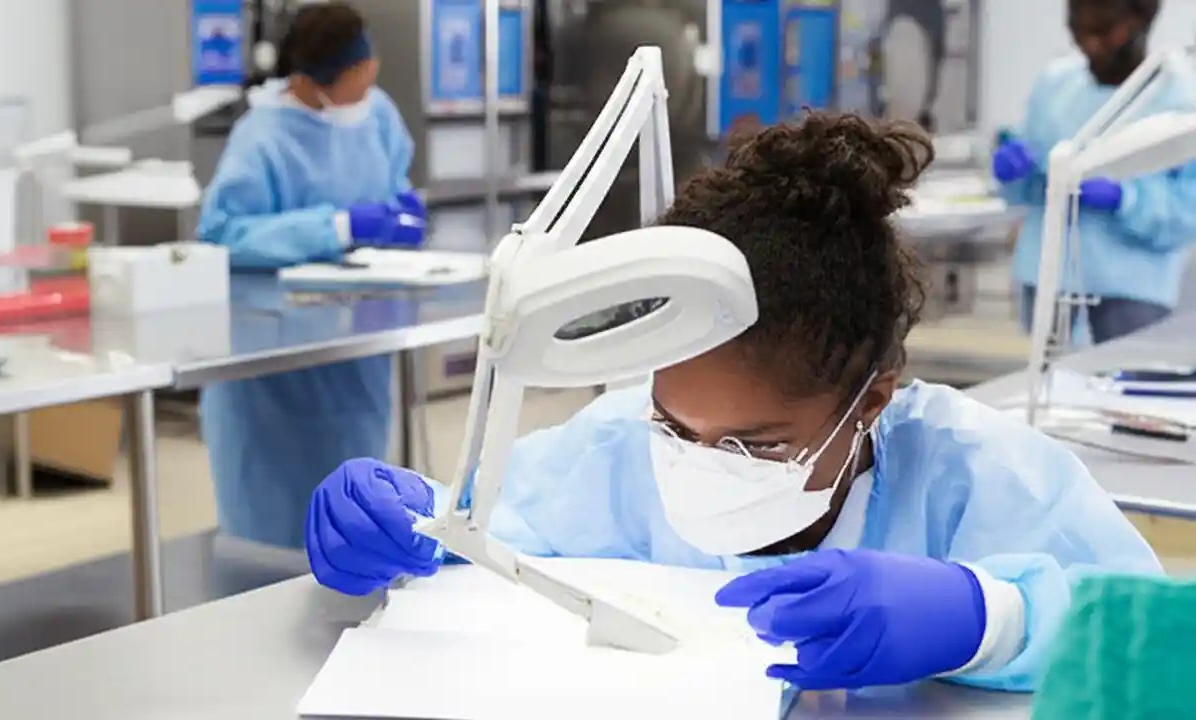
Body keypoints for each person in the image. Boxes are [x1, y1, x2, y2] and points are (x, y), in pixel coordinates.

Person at [304, 113, 1160, 692]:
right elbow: (488, 544)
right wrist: (402, 529)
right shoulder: (609, 452)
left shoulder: (978, 474)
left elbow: (1154, 643)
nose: (696, 463)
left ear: (873, 398)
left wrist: (990, 620)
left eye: (756, 446)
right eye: (674, 426)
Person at [197, 2, 423, 548]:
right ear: (314, 79)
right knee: (275, 533)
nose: (368, 88)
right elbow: (223, 233)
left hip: (356, 349)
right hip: (272, 355)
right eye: (357, 77)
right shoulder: (263, 136)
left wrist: (403, 212)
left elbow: (395, 177)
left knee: (354, 511)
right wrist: (337, 224)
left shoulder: (377, 113)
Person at [994, 0, 1196, 344]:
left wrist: (1126, 200)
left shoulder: (1179, 96)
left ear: (1140, 20)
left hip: (1131, 289)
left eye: (1103, 32)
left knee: (1123, 388)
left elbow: (1186, 212)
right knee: (1048, 388)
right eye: (1079, 31)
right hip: (1046, 280)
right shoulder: (1057, 84)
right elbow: (1026, 184)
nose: (1090, 44)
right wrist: (1013, 171)